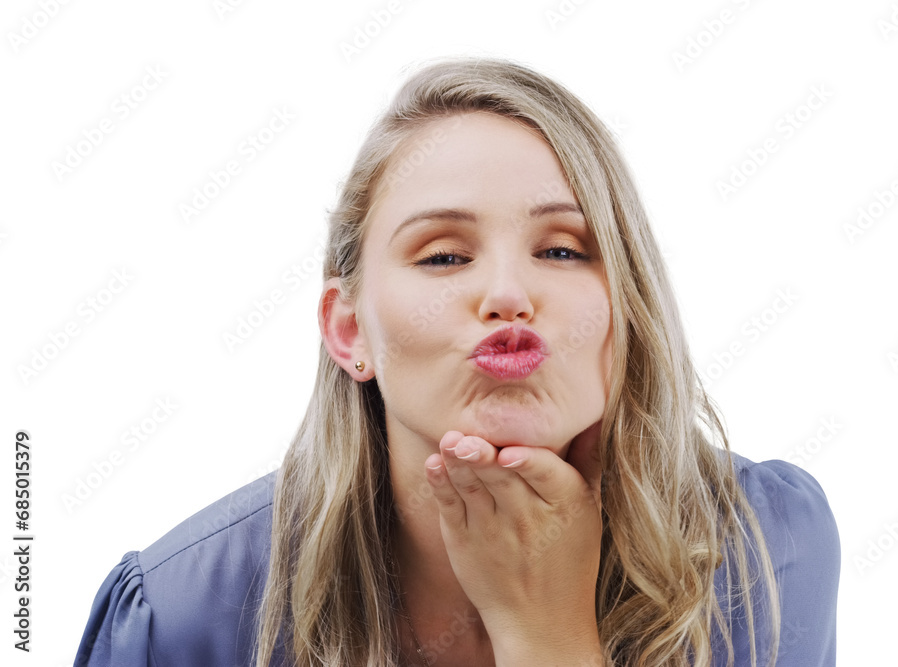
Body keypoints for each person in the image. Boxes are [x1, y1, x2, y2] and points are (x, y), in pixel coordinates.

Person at [74, 56, 840, 666]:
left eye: (563, 249)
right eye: (443, 256)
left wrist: (547, 637)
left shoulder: (763, 550)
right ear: (349, 332)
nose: (508, 293)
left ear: (627, 306)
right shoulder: (178, 617)